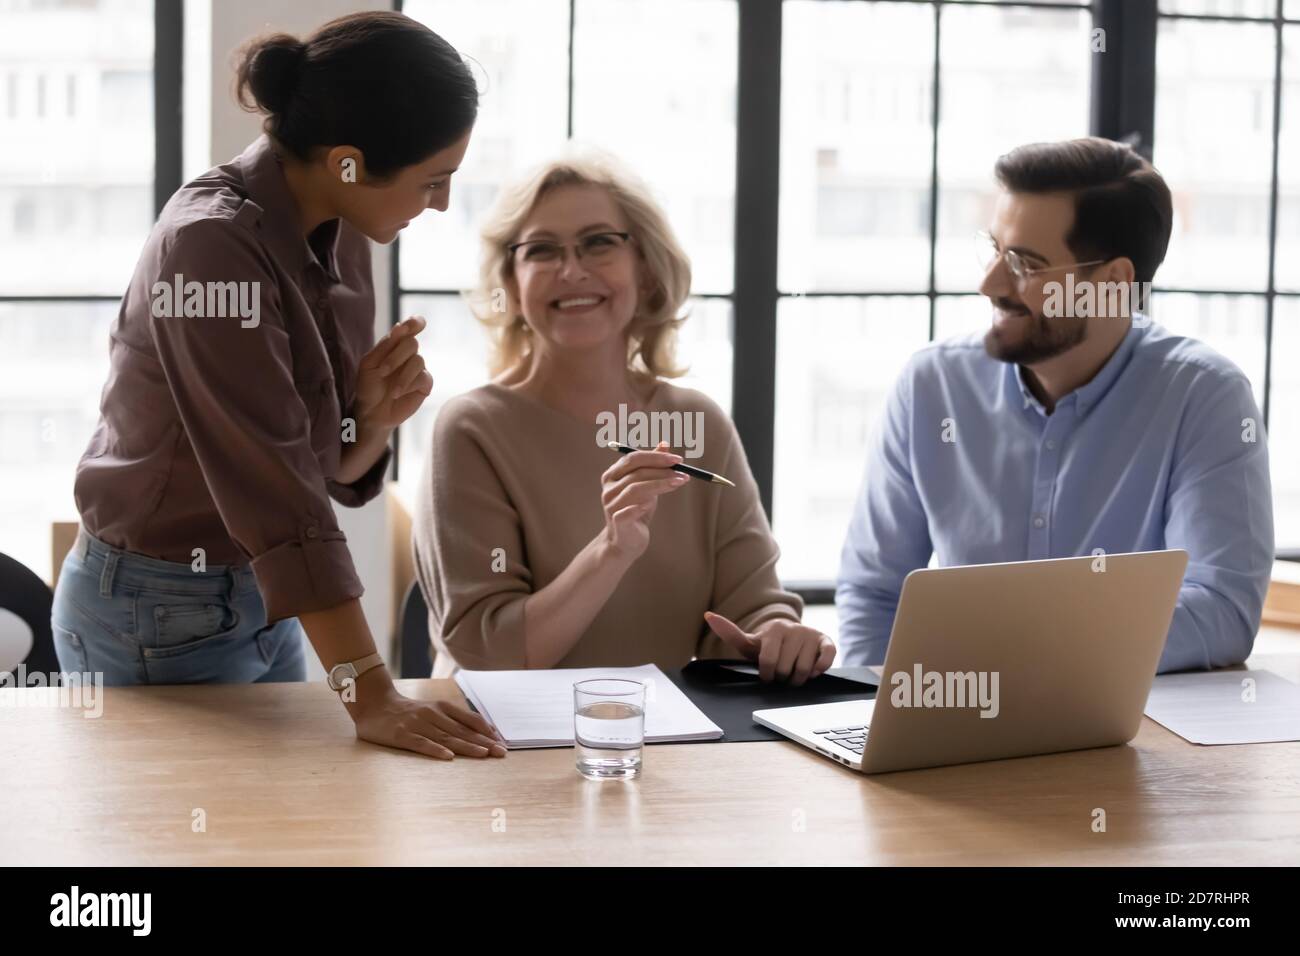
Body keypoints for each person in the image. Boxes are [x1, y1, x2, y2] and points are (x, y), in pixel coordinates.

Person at [52, 11, 506, 760]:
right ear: (349, 161)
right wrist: (372, 690)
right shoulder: (209, 246)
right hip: (157, 610)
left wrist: (371, 421)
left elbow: (318, 469)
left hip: (263, 599)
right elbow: (276, 491)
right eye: (433, 181)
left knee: (294, 834)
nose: (442, 205)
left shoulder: (341, 222)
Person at [837, 137, 1273, 673]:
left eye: (1025, 263)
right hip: (948, 727)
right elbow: (874, 594)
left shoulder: (1203, 397)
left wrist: (1027, 659)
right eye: (995, 249)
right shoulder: (933, 386)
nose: (990, 283)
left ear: (1112, 283)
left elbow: (1221, 611)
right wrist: (868, 713)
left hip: (1129, 738)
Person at [413, 152, 835, 685]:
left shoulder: (697, 423)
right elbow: (489, 657)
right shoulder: (471, 430)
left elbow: (753, 606)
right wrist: (612, 550)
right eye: (542, 250)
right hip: (502, 749)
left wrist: (782, 636)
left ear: (647, 271)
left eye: (599, 242)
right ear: (512, 285)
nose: (571, 270)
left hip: (675, 747)